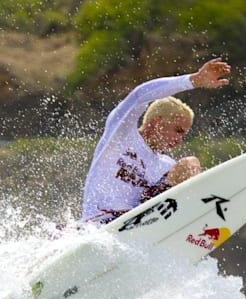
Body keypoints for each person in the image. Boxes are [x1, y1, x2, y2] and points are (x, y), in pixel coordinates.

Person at [80, 58, 232, 224]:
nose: (179, 140)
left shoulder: (167, 167)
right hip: (99, 225)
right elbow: (139, 95)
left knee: (190, 165)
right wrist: (193, 80)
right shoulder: (121, 135)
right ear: (157, 122)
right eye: (177, 131)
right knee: (189, 163)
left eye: (183, 135)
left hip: (138, 225)